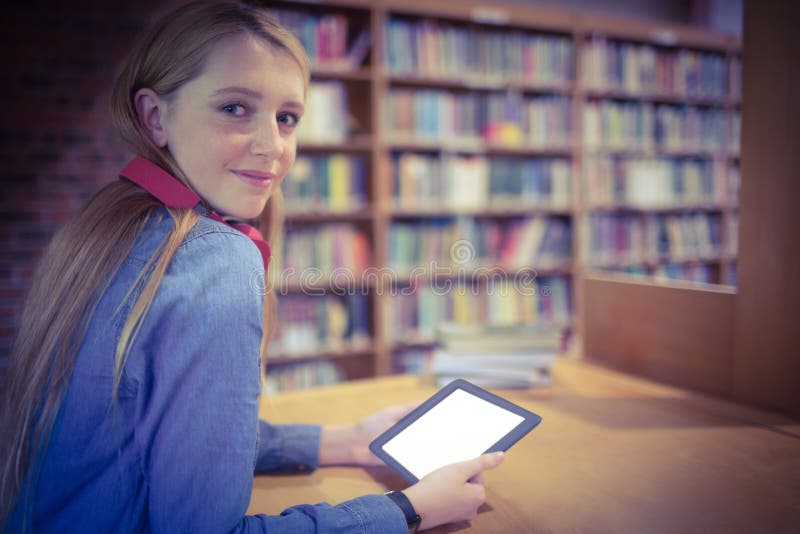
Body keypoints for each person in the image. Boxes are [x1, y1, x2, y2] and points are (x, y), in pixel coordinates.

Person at [0, 1, 504, 532]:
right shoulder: (217, 257)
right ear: (155, 117)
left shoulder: (104, 229)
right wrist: (408, 509)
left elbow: (156, 428)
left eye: (286, 118)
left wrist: (341, 441)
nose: (273, 146)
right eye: (235, 108)